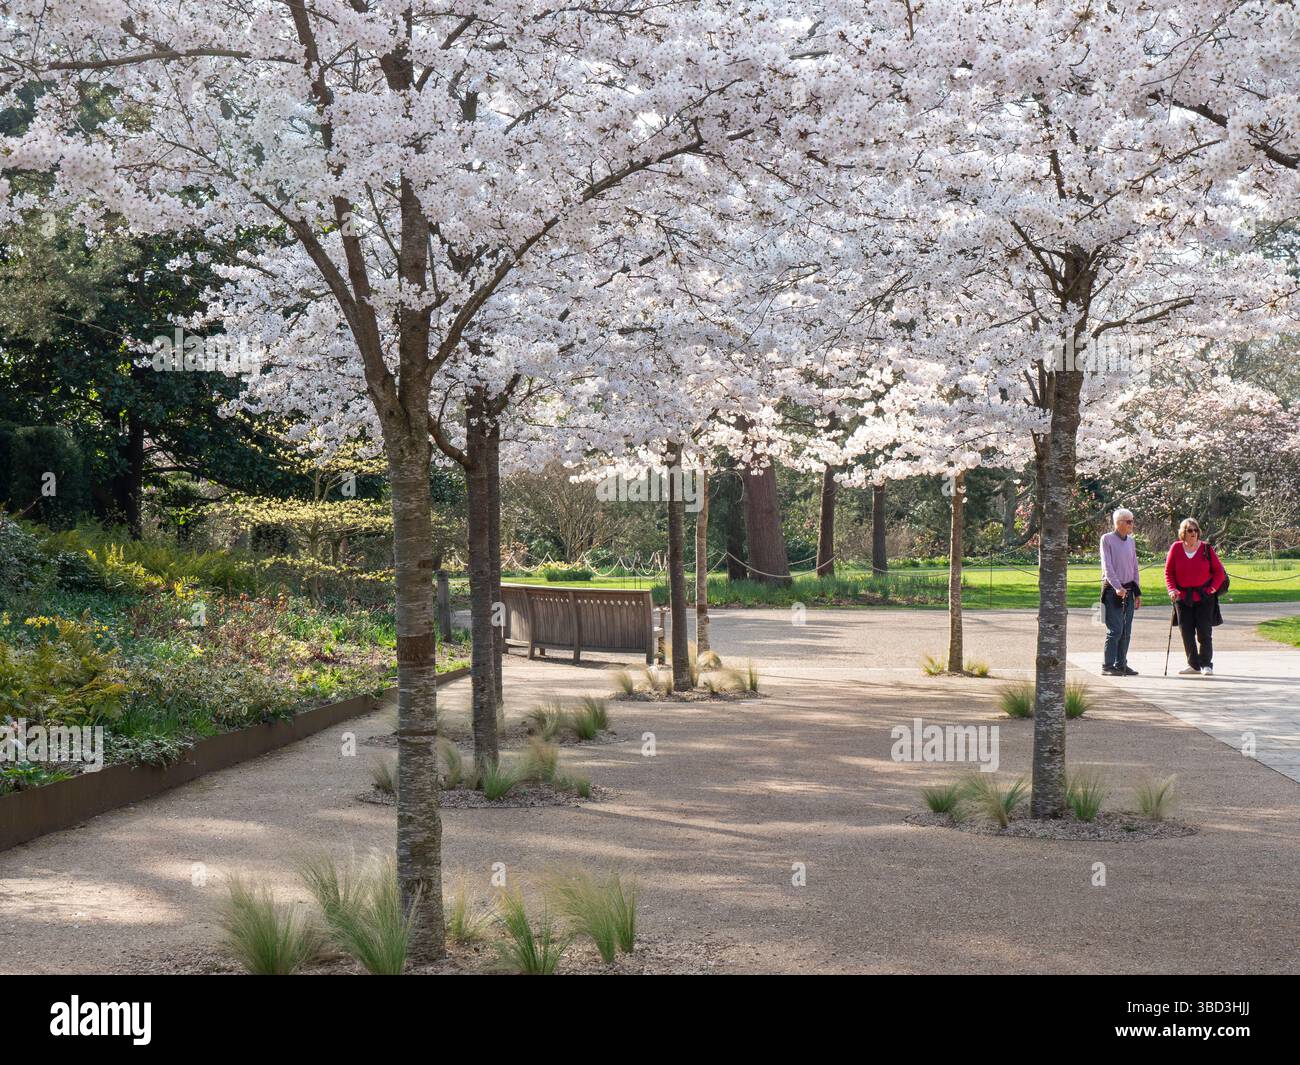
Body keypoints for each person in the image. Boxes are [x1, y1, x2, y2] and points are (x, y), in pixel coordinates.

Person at [1164, 518, 1227, 676]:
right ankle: (1193, 664)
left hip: (1204, 597)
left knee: (1204, 632)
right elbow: (1169, 572)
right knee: (1186, 632)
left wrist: (1212, 588)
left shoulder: (1206, 548)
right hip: (1182, 597)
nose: (1193, 533)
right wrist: (1172, 589)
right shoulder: (1176, 548)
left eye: (1195, 530)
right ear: (1183, 533)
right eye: (1189, 530)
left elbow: (1219, 572)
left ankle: (1206, 664)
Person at [1100, 508, 1142, 676]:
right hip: (1113, 591)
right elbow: (1107, 566)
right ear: (1118, 523)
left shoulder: (1131, 541)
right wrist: (1117, 587)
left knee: (1126, 630)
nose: (1132, 524)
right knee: (1115, 629)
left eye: (1132, 521)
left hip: (1129, 590)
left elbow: (1134, 567)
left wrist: (1137, 592)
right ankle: (1107, 666)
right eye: (1129, 521)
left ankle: (1121, 664)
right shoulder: (1107, 539)